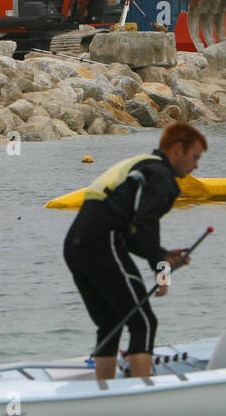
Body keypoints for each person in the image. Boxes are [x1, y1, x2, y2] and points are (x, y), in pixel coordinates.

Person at [64, 122, 206, 382]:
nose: (196, 165)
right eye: (195, 157)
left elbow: (131, 235)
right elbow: (145, 223)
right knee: (144, 322)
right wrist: (161, 270)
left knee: (110, 323)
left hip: (75, 244)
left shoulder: (143, 165)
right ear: (177, 150)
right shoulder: (163, 176)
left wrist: (162, 254)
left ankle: (104, 390)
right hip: (102, 241)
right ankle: (141, 393)